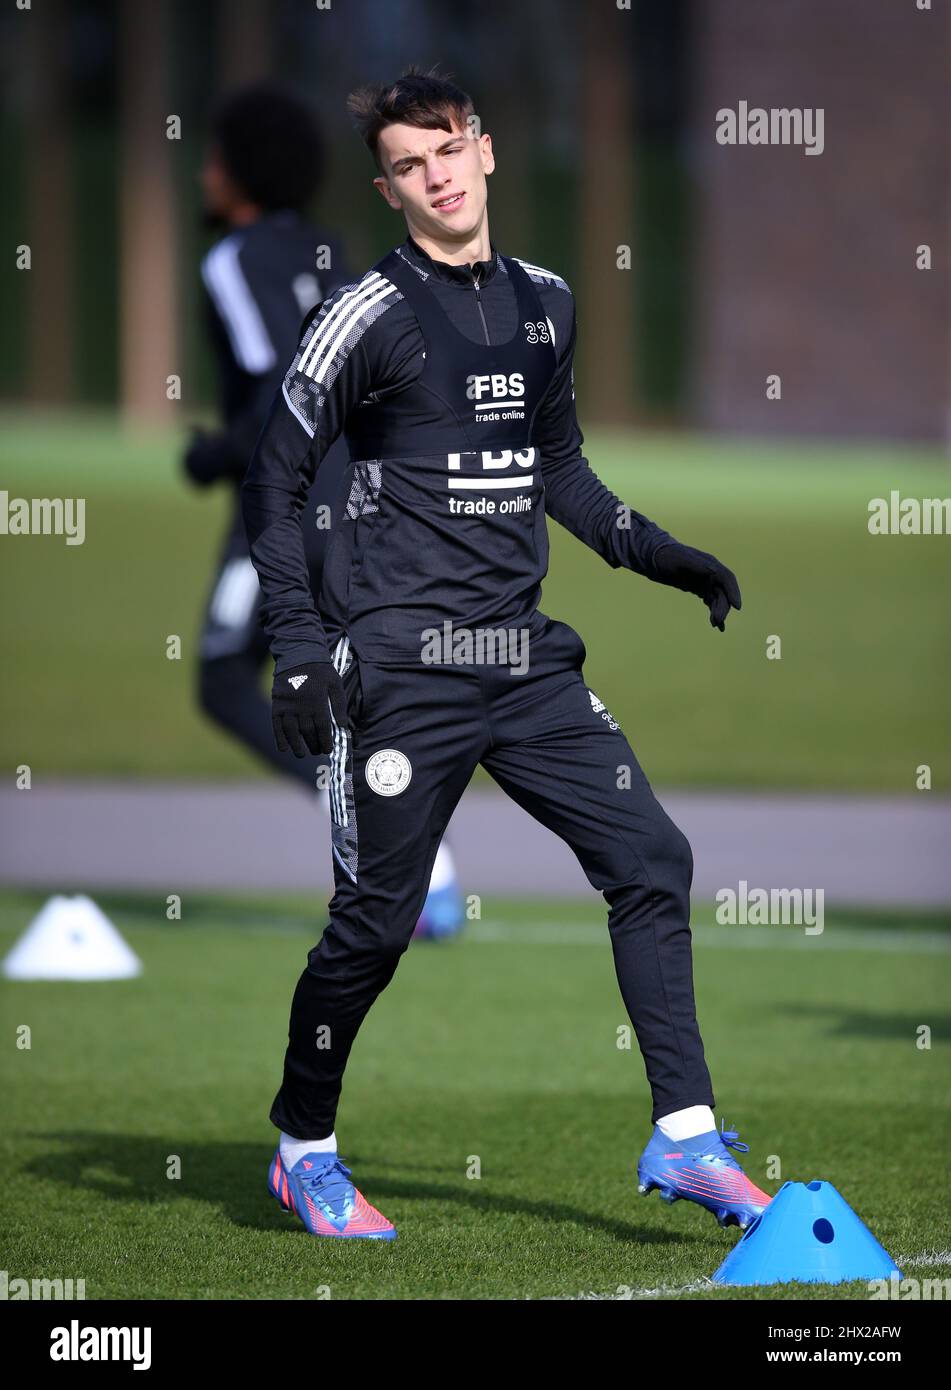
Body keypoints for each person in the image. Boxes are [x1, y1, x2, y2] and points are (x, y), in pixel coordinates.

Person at [243, 69, 770, 1241]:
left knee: (651, 856)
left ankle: (686, 1137)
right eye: (408, 164)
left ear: (483, 152)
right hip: (402, 673)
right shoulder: (364, 315)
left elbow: (560, 469)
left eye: (449, 148)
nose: (436, 174)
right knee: (376, 926)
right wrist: (297, 647)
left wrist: (653, 549)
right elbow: (273, 477)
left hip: (527, 665)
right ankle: (303, 1147)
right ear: (390, 190)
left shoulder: (546, 301)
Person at [185, 81, 464, 940]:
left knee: (227, 677)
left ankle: (401, 844)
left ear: (239, 173)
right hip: (365, 492)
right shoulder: (332, 253)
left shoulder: (231, 260)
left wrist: (213, 454)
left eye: (214, 158)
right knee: (343, 683)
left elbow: (281, 381)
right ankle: (421, 869)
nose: (202, 174)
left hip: (287, 498)